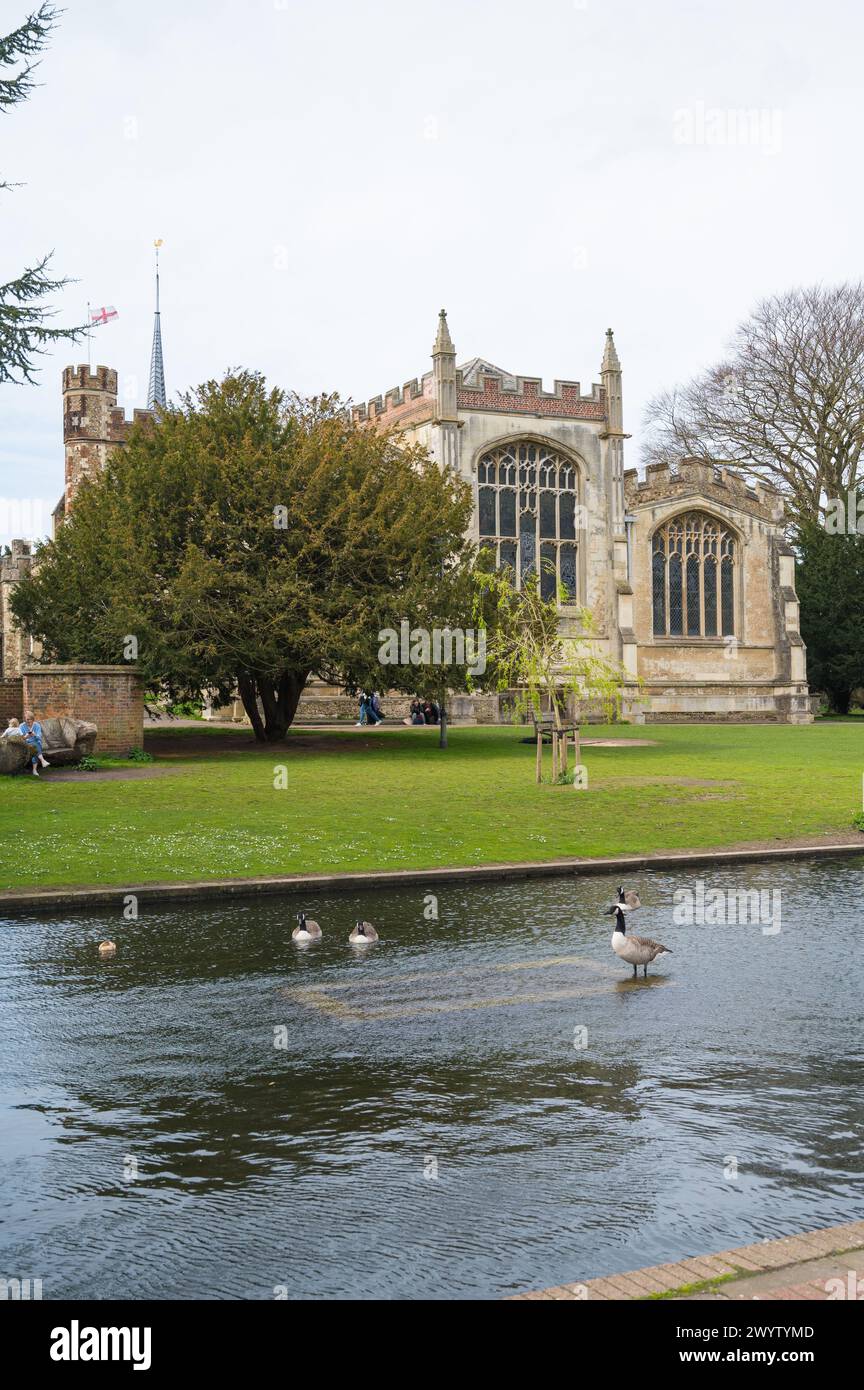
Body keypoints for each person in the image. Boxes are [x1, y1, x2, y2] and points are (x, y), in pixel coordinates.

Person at [19, 709, 50, 777]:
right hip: (26, 744)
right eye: (26, 719)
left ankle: (35, 770)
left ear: (33, 719)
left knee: (35, 745)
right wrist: (26, 737)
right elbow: (20, 738)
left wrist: (34, 735)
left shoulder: (37, 725)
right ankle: (41, 762)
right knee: (34, 745)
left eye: (29, 719)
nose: (28, 721)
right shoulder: (21, 726)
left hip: (36, 743)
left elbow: (39, 737)